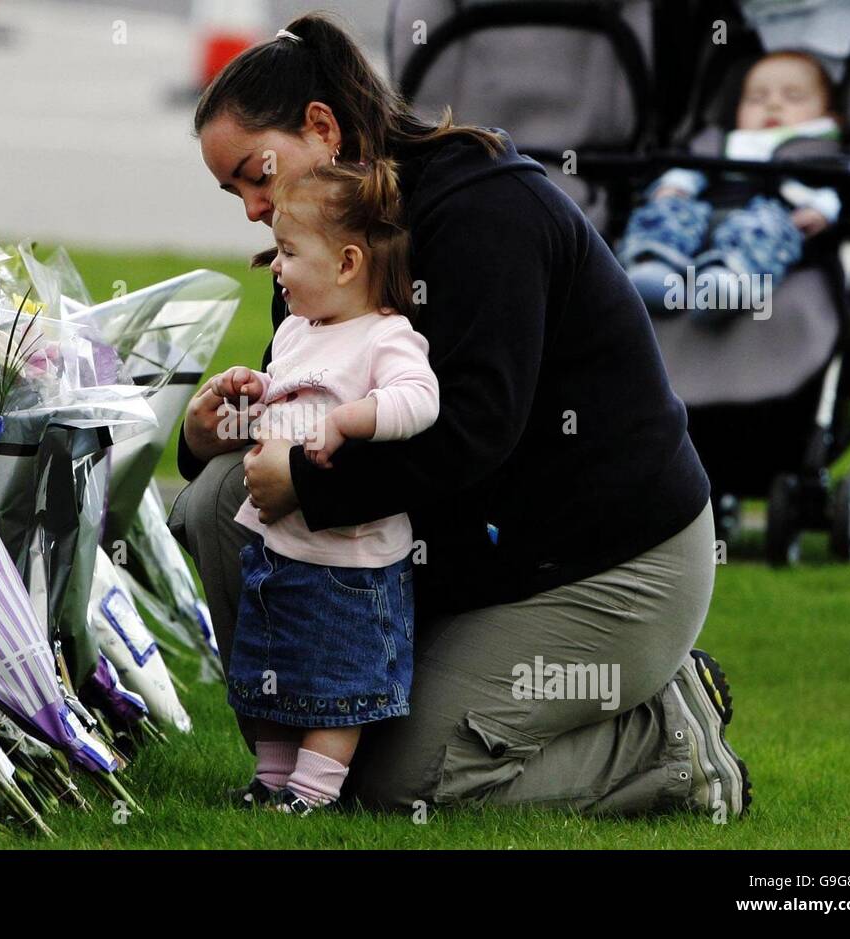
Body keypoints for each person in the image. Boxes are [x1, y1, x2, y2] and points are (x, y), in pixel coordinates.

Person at [168, 13, 751, 819]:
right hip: (473, 544)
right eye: (235, 190)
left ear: (321, 127)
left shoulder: (486, 212)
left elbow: (476, 430)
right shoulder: (317, 234)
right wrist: (210, 433)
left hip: (605, 562)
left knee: (396, 783)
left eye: (253, 176)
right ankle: (294, 771)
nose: (251, 208)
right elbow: (304, 409)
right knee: (214, 498)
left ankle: (669, 737)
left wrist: (309, 481)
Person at [209, 158, 439, 815]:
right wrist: (250, 398)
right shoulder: (294, 329)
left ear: (346, 263)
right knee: (274, 674)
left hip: (350, 562)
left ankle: (312, 792)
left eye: (287, 251)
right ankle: (271, 779)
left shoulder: (385, 336)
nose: (274, 266)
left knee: (338, 680)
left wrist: (351, 418)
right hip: (279, 550)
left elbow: (419, 401)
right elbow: (283, 403)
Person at [619, 50, 842, 324]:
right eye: (756, 99)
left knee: (769, 227)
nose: (772, 105)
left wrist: (821, 211)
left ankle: (729, 279)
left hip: (765, 218)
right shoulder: (722, 142)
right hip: (702, 212)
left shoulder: (817, 150)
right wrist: (674, 186)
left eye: (792, 97)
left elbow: (829, 193)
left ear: (829, 116)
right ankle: (654, 262)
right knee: (669, 208)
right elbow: (690, 169)